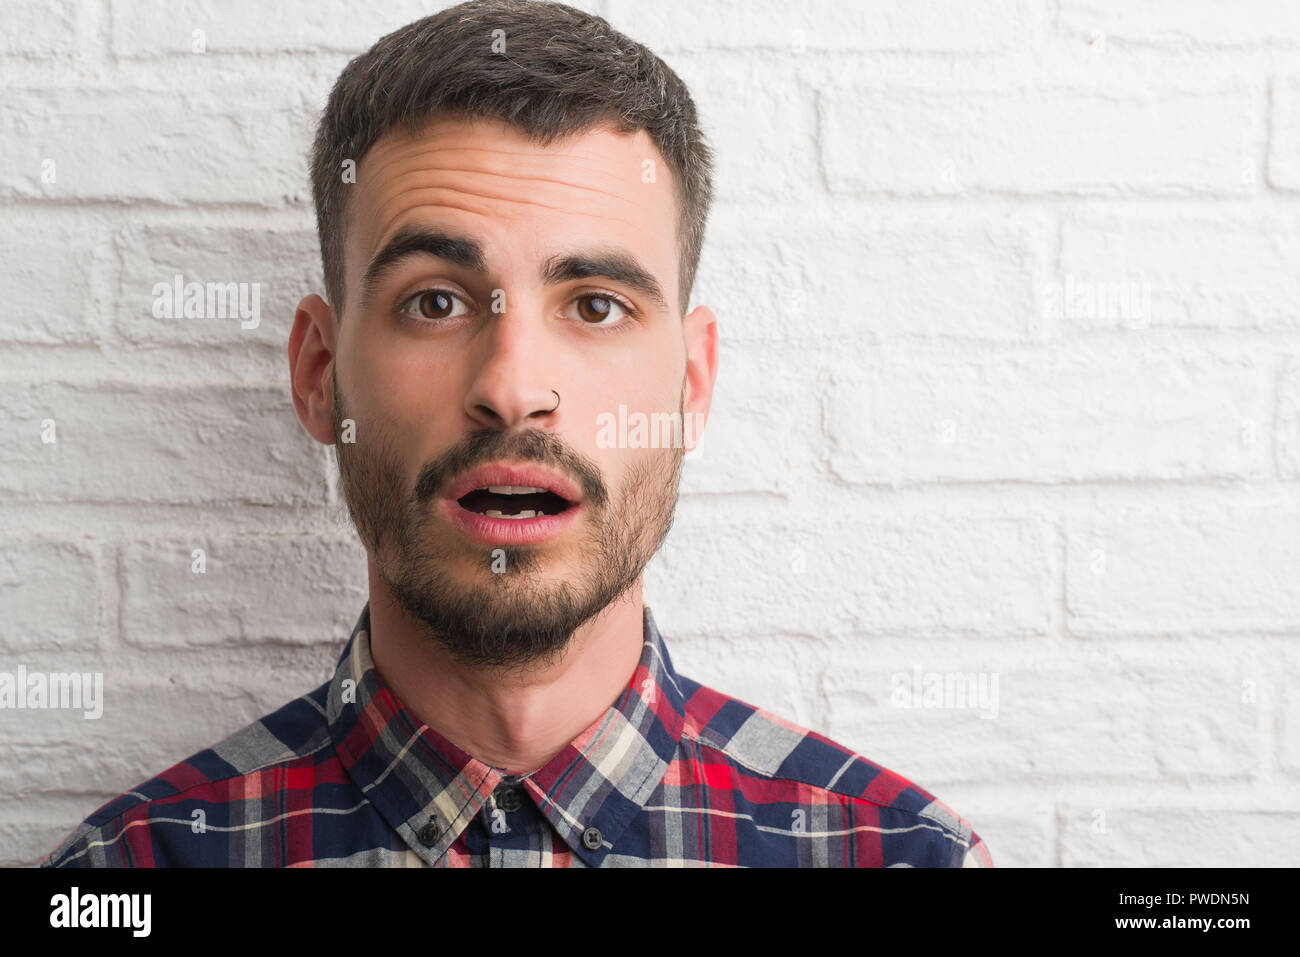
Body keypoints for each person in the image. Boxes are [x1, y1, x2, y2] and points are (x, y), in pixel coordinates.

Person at [42, 0, 992, 868]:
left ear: (692, 385)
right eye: (437, 301)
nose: (511, 388)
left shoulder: (902, 855)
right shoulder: (127, 871)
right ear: (320, 375)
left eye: (596, 304)